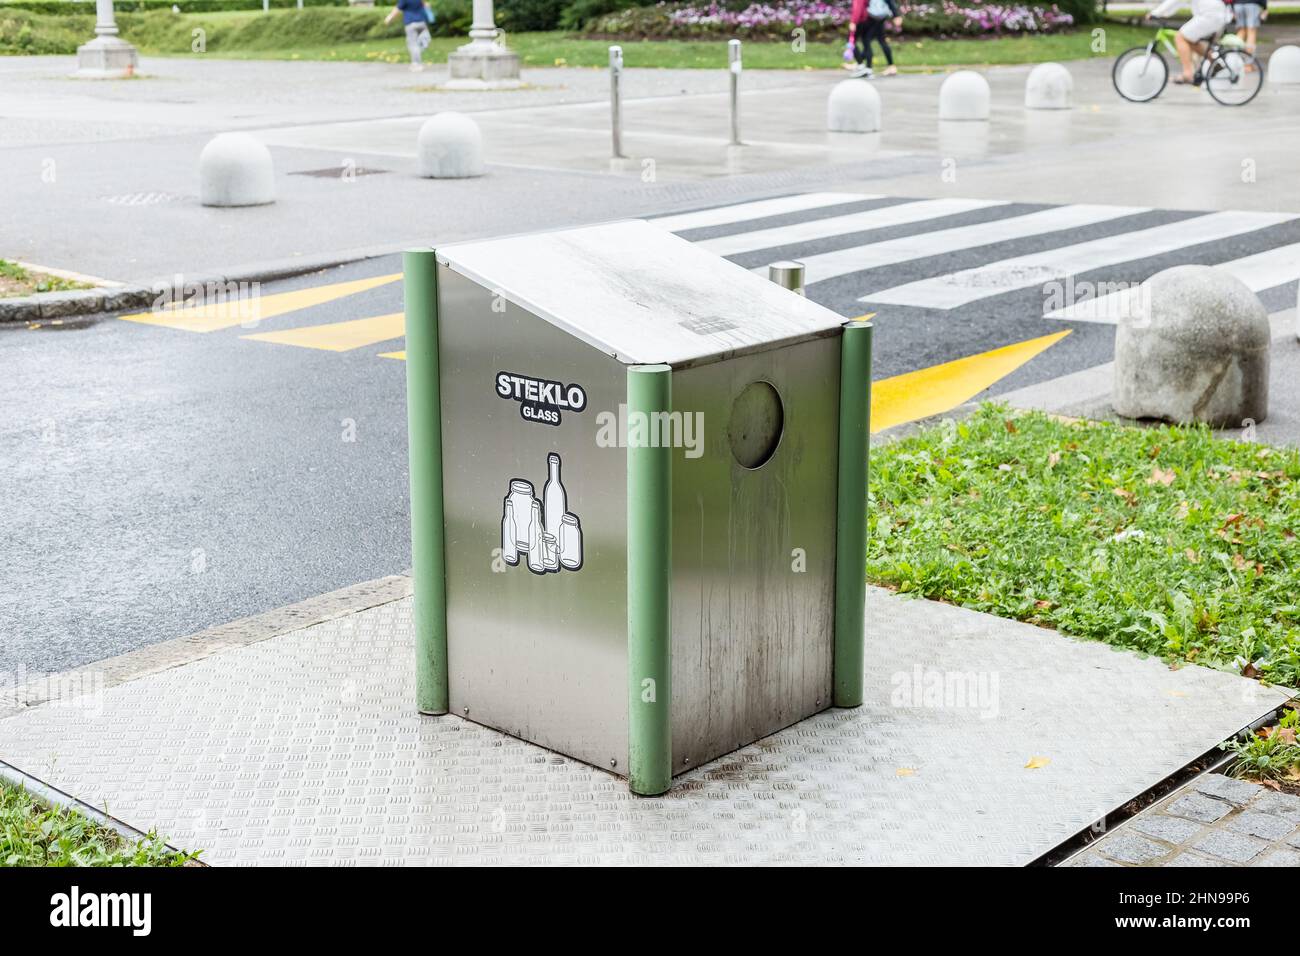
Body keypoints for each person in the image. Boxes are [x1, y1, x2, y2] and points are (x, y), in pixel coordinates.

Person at [1148, 0, 1232, 84]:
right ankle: (1214, 62)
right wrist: (1163, 13)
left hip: (1210, 15)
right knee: (1190, 40)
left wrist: (1156, 13)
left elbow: (1175, 1)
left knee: (1180, 37)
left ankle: (1188, 74)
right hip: (1215, 14)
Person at [849, 0, 903, 79]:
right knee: (876, 40)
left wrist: (896, 15)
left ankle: (863, 66)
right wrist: (896, 15)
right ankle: (862, 64)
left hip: (872, 17)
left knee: (867, 40)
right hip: (880, 17)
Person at [386, 0, 434, 73]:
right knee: (422, 41)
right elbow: (427, 5)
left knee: (413, 45)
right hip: (422, 22)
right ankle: (419, 54)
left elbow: (397, 9)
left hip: (410, 23)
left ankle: (416, 64)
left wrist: (389, 18)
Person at [1233, 0, 1267, 70]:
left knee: (1240, 32)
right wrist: (1265, 7)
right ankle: (1248, 65)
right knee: (1251, 32)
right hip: (1252, 4)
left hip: (1237, 4)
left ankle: (1235, 62)